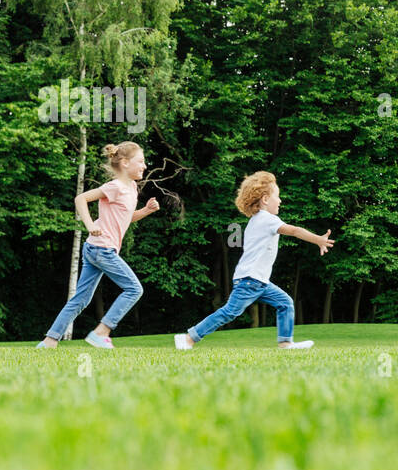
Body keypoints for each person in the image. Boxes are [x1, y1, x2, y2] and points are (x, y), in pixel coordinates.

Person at [175, 171, 334, 350]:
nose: (280, 201)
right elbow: (295, 230)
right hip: (250, 280)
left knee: (285, 302)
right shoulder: (267, 219)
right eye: (278, 196)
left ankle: (285, 343)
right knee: (229, 312)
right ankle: (189, 338)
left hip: (259, 281)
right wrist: (318, 240)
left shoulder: (256, 220)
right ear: (265, 199)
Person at [38, 142, 159, 349]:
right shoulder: (115, 187)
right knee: (134, 289)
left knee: (81, 300)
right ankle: (101, 332)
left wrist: (146, 210)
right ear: (124, 162)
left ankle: (49, 341)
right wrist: (89, 224)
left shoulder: (130, 188)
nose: (145, 166)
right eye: (140, 161)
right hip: (101, 249)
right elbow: (81, 198)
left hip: (95, 248)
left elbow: (126, 218)